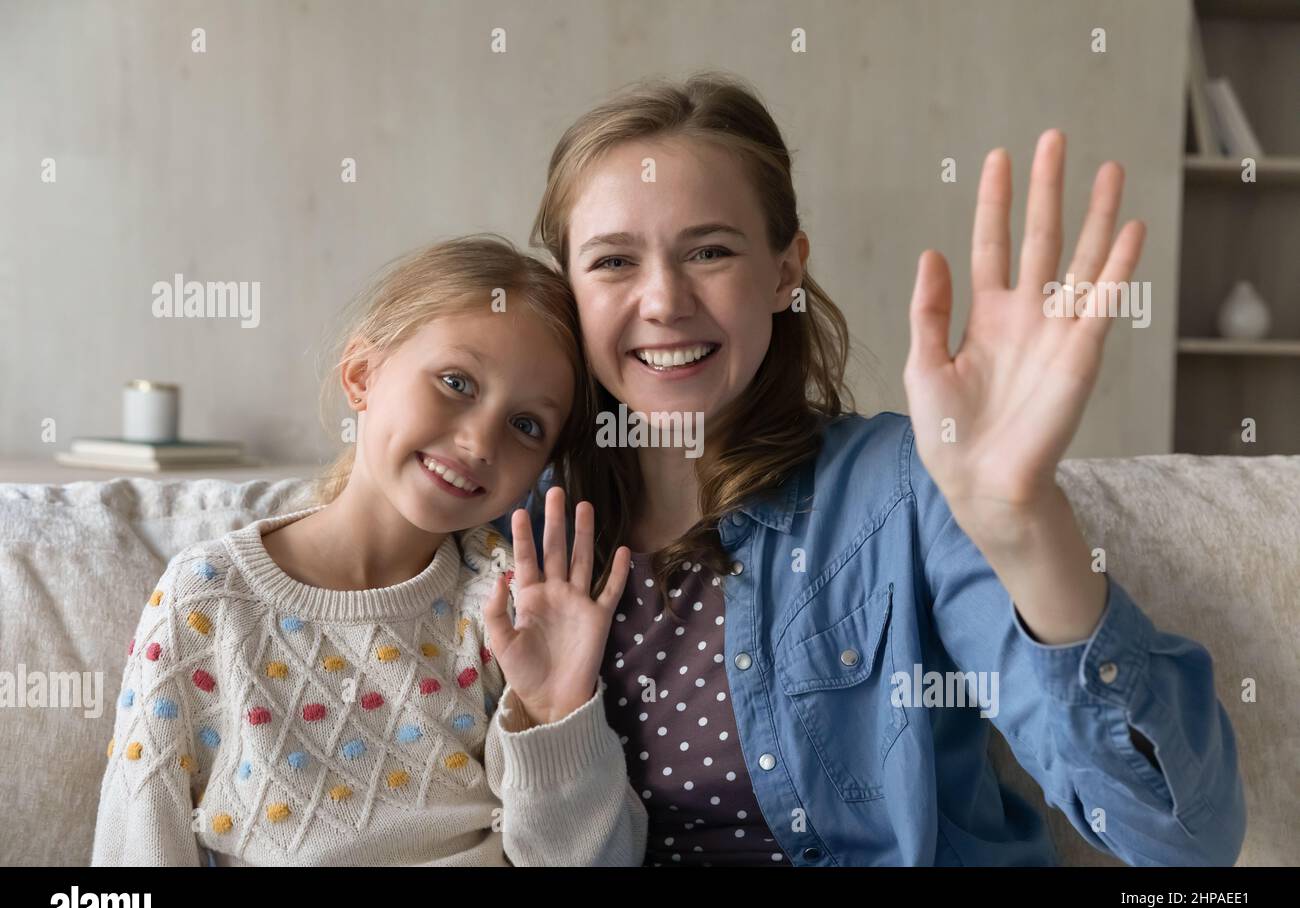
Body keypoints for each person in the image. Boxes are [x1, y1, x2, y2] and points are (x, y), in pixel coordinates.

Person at [495, 72, 1246, 866]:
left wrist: (1023, 521)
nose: (664, 300)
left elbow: (1183, 845)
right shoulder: (521, 516)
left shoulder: (901, 485)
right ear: (567, 290)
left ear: (785, 272)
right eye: (613, 262)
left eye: (709, 250)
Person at [92, 236, 644, 866]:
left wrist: (553, 714)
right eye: (457, 382)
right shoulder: (208, 600)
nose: (480, 439)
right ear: (362, 376)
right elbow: (134, 846)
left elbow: (600, 859)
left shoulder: (511, 607)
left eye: (526, 425)